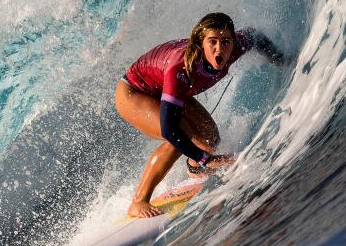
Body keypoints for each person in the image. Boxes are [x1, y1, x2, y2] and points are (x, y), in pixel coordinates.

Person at [115, 12, 291, 218]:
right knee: (179, 135)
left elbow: (255, 36)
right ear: (200, 43)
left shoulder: (235, 47)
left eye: (226, 41)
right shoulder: (180, 68)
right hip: (134, 92)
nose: (220, 48)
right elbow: (169, 130)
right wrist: (206, 159)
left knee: (209, 138)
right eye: (212, 42)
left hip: (164, 87)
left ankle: (195, 168)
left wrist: (282, 60)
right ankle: (138, 201)